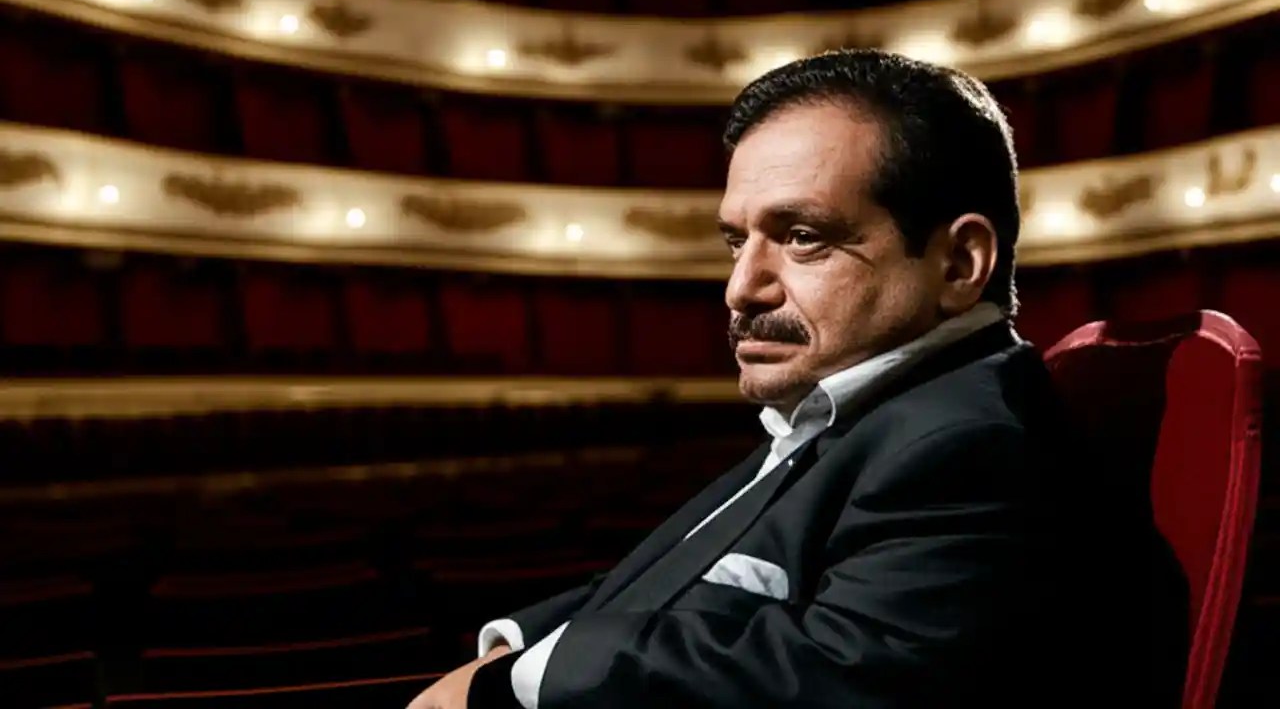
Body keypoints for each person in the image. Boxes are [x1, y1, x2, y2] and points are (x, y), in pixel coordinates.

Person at [408, 49, 1184, 709]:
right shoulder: (860, 410)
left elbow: (838, 676)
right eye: (735, 242)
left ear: (957, 263)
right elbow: (673, 578)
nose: (740, 288)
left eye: (803, 237)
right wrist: (516, 648)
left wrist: (518, 682)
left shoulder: (967, 446)